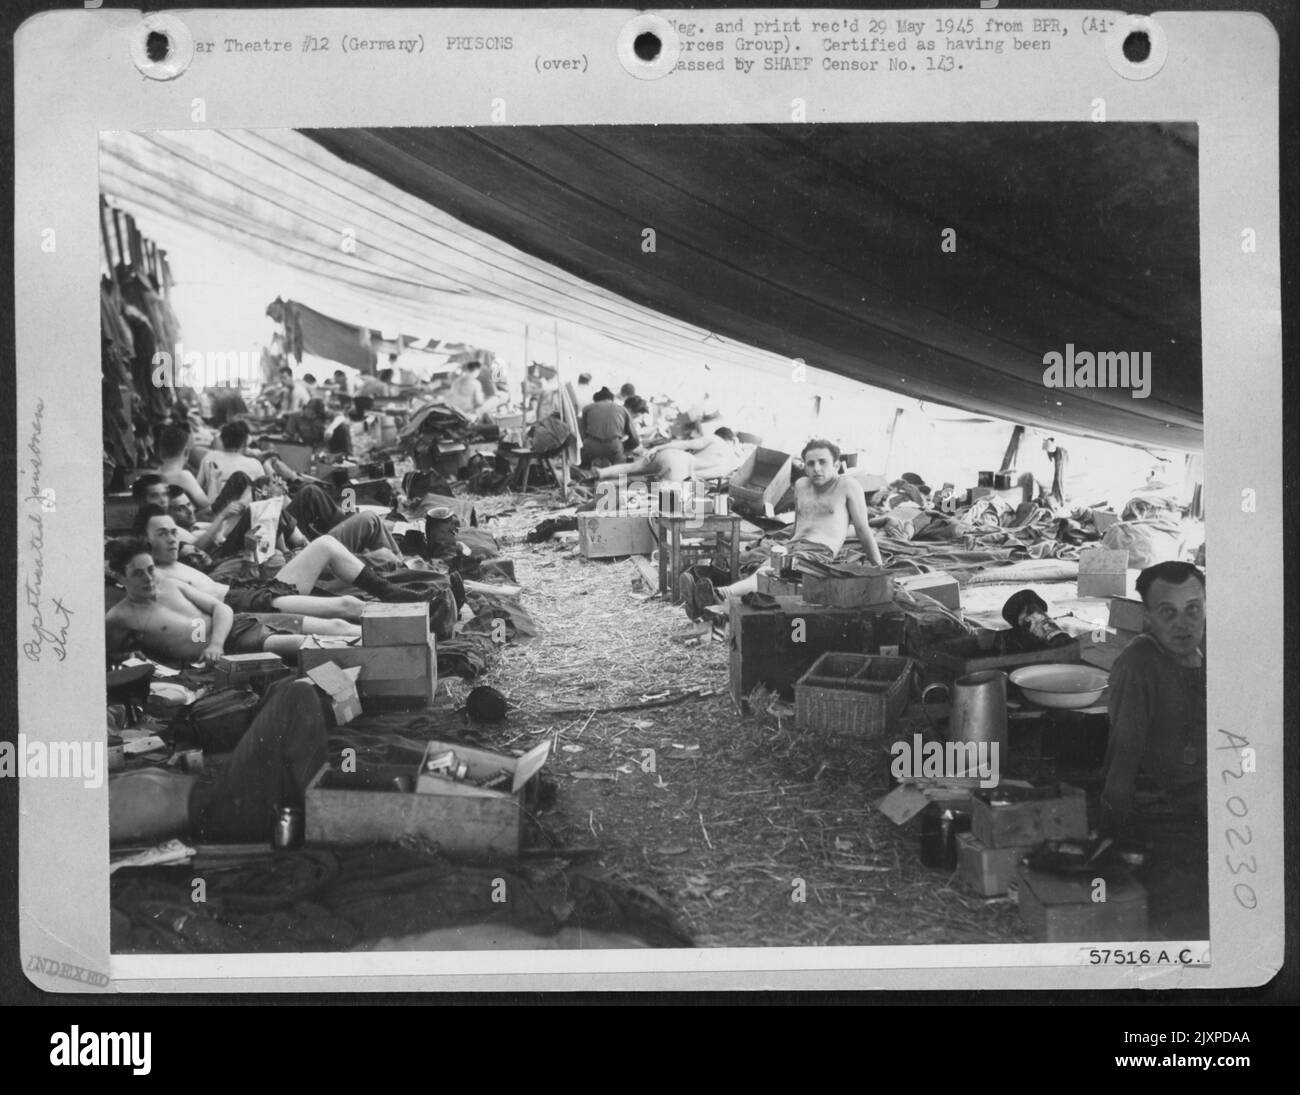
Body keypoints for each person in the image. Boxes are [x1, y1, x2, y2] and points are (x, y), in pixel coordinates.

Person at [1100, 560, 1207, 939]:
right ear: (1147, 618)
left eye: (1193, 608)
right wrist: (1108, 838)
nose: (1184, 623)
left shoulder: (1216, 652)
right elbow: (1122, 763)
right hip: (1164, 820)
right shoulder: (1139, 665)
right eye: (1168, 612)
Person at [109, 675, 328, 845]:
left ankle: (313, 802)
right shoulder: (82, 820)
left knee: (286, 687)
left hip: (214, 789)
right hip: (219, 805)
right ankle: (319, 812)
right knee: (296, 695)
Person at [679, 439, 883, 618]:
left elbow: (863, 529)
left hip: (819, 552)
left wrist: (879, 567)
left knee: (769, 573)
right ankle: (707, 607)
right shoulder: (802, 485)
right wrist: (779, 543)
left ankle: (719, 594)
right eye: (810, 463)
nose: (816, 468)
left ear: (837, 464)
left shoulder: (847, 486)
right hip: (792, 546)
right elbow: (799, 522)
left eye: (823, 462)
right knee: (760, 569)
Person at [133, 508, 423, 623]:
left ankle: (395, 597)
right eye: (162, 534)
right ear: (144, 542)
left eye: (174, 533)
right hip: (249, 605)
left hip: (256, 589)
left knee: (325, 545)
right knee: (346, 605)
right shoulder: (156, 577)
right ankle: (411, 619)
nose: (173, 540)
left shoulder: (176, 565)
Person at [105, 539, 355, 670]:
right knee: (309, 645)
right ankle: (384, 653)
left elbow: (221, 608)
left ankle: (389, 630)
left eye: (150, 569)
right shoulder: (119, 618)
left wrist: (215, 643)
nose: (148, 578)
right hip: (236, 646)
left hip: (236, 625)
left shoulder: (170, 585)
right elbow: (114, 658)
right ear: (119, 576)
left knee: (337, 625)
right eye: (138, 574)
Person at [588, 425, 743, 483]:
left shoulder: (715, 439)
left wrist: (657, 448)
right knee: (643, 483)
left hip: (674, 457)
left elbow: (685, 444)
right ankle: (605, 485)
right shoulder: (733, 464)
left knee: (635, 467)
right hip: (683, 473)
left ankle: (601, 473)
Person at [197, 420, 266, 499]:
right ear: (245, 441)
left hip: (214, 507)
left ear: (222, 439)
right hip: (243, 509)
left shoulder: (209, 458)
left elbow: (197, 488)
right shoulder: (254, 464)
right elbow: (263, 494)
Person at [579, 386, 639, 467]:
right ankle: (623, 479)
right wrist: (623, 448)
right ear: (612, 400)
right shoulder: (623, 410)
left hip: (591, 445)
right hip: (614, 446)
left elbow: (582, 434)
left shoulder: (586, 408)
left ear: (595, 400)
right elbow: (635, 440)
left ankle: (584, 475)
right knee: (622, 469)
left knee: (584, 466)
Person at [155, 425, 211, 510]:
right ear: (186, 452)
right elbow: (208, 505)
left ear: (160, 451)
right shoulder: (183, 476)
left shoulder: (154, 475)